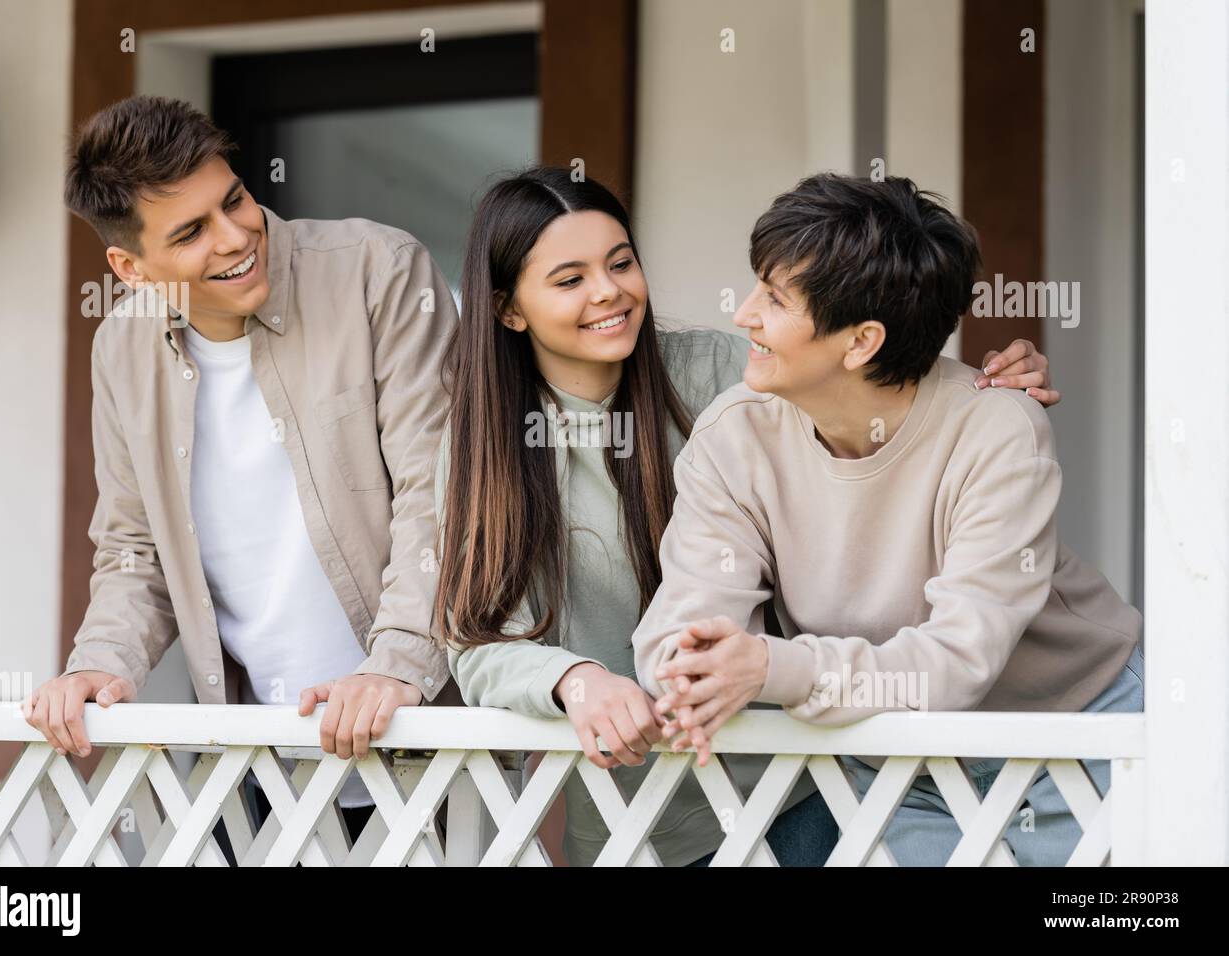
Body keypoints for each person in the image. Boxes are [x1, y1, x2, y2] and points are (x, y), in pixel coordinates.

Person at [438, 166, 1059, 866]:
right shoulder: (486, 449)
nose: (609, 291)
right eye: (569, 279)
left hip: (795, 767)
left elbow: (862, 363)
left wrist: (979, 387)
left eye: (621, 263)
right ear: (508, 309)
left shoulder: (725, 376)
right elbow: (478, 637)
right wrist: (578, 679)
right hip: (633, 787)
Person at [634, 173, 1142, 866]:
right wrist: (690, 668)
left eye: (774, 298)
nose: (744, 313)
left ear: (861, 341)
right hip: (900, 762)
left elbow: (957, 660)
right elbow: (682, 624)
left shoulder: (996, 430)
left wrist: (772, 668)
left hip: (1080, 731)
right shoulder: (733, 438)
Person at [22, 96, 459, 842]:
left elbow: (441, 494)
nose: (236, 237)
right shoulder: (120, 350)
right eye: (192, 232)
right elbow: (134, 547)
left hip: (419, 741)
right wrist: (101, 659)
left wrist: (396, 667)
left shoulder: (377, 271)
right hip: (248, 762)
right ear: (129, 267)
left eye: (235, 200)